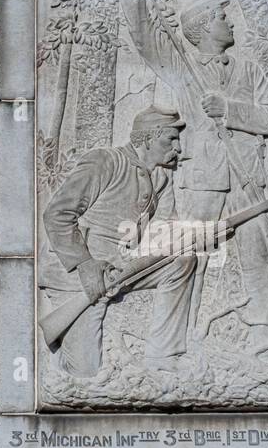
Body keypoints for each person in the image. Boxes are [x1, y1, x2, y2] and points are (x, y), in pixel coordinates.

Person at [117, 0, 268, 330]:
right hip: (201, 178)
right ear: (206, 26)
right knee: (191, 258)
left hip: (247, 177)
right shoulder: (182, 68)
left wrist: (230, 110)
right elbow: (146, 39)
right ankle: (182, 339)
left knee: (259, 257)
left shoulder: (248, 70)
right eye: (223, 18)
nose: (230, 23)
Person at [39, 107, 196, 378]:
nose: (178, 148)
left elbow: (164, 231)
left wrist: (191, 235)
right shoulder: (106, 161)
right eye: (171, 139)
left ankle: (163, 354)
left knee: (182, 260)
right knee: (85, 372)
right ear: (148, 138)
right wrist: (85, 264)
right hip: (77, 276)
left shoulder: (160, 178)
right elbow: (57, 214)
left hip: (120, 270)